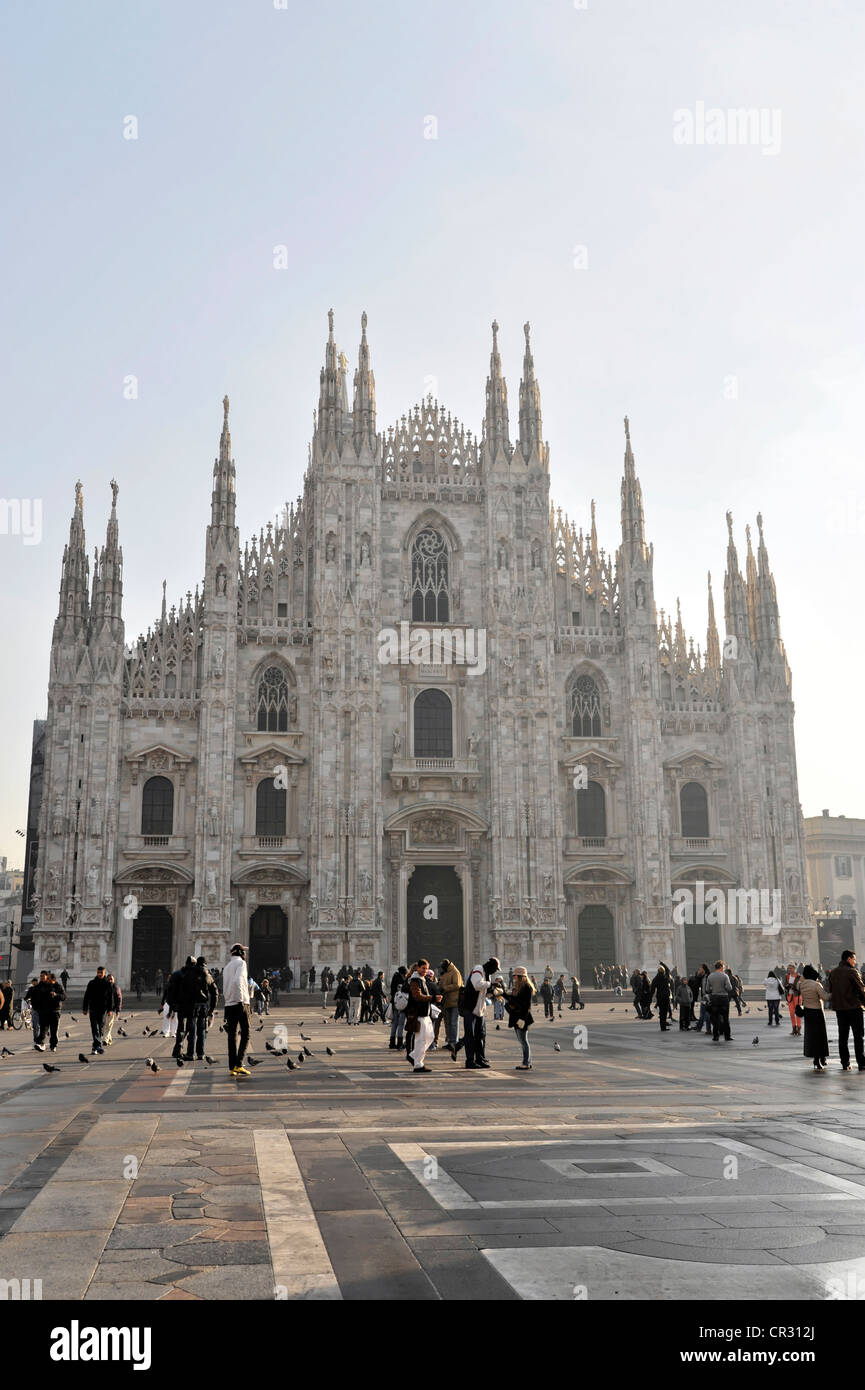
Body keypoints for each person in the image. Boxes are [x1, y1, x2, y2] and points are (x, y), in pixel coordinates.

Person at [454, 958, 501, 1069]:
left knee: (481, 1035)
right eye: (495, 969)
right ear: (491, 966)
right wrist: (491, 984)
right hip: (470, 1008)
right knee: (470, 1036)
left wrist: (494, 991)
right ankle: (470, 1061)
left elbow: (484, 992)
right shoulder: (478, 969)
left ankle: (480, 1059)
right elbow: (477, 985)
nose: (495, 971)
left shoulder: (487, 974)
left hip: (479, 1009)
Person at [827, 949, 865, 1072]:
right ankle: (861, 1063)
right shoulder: (852, 972)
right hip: (854, 1008)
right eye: (854, 959)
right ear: (848, 959)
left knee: (843, 1037)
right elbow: (861, 990)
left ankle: (845, 1063)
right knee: (858, 1037)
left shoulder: (833, 973)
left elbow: (831, 990)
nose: (855, 961)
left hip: (840, 1009)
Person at [404, 959, 441, 1073]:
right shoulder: (415, 981)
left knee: (430, 1037)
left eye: (426, 968)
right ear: (417, 968)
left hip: (425, 1013)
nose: (425, 970)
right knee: (421, 1040)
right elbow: (417, 996)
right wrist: (433, 998)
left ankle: (413, 1055)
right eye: (423, 968)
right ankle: (418, 1065)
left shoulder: (422, 980)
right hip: (418, 1013)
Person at [222, 943, 251, 1076]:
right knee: (246, 1033)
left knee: (232, 1036)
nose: (245, 953)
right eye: (243, 951)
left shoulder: (227, 967)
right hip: (241, 1002)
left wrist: (228, 1001)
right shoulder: (241, 964)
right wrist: (240, 1000)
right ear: (240, 952)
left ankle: (232, 1066)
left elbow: (225, 987)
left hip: (229, 1004)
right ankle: (239, 1064)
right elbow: (238, 981)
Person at [798, 964, 829, 1072]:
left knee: (811, 1036)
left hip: (807, 1012)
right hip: (817, 1012)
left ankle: (818, 1058)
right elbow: (825, 997)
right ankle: (819, 1059)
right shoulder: (816, 985)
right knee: (820, 1037)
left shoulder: (802, 985)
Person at [503, 967, 535, 1069]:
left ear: (521, 976)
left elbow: (527, 1005)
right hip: (516, 1017)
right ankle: (527, 1062)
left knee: (523, 1041)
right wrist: (503, 994)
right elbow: (514, 1000)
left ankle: (526, 1063)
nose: (514, 977)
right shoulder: (517, 987)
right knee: (522, 1041)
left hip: (522, 1017)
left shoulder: (526, 987)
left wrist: (523, 1019)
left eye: (515, 975)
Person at [30, 970, 66, 1052]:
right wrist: (37, 1008)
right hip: (44, 1011)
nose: (42, 978)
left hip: (55, 1011)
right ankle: (40, 1043)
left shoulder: (57, 986)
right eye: (41, 976)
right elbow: (35, 998)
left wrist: (56, 995)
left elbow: (64, 996)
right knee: (43, 1029)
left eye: (46, 977)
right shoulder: (40, 987)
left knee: (53, 1030)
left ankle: (53, 1045)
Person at [82, 965, 113, 1055]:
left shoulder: (108, 984)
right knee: (94, 1027)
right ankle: (98, 1045)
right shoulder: (91, 983)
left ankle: (95, 1046)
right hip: (93, 1008)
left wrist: (110, 1009)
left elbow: (110, 998)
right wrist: (85, 1008)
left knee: (100, 1027)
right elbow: (86, 996)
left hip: (103, 1009)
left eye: (101, 973)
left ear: (104, 973)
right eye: (98, 973)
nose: (99, 974)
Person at [705, 960, 733, 1042]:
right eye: (723, 967)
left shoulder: (710, 976)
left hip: (714, 998)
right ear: (721, 967)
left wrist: (714, 989)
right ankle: (727, 1036)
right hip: (724, 998)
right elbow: (729, 988)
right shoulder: (725, 976)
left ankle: (715, 1036)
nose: (724, 969)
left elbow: (707, 989)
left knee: (715, 1018)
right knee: (725, 1018)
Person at [438, 959, 462, 1050]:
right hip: (446, 1001)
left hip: (454, 1001)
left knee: (453, 1022)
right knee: (448, 1023)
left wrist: (445, 988)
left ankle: (454, 1042)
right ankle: (450, 1041)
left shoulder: (455, 972)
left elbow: (457, 985)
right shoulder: (445, 973)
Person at [650, 963, 673, 1031]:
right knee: (665, 1012)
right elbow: (668, 970)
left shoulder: (655, 978)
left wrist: (650, 997)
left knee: (661, 1012)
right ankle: (664, 1027)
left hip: (659, 996)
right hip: (666, 996)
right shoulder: (666, 976)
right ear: (663, 971)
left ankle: (662, 1027)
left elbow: (652, 988)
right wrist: (663, 964)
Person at [389, 966, 408, 1048]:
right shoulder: (402, 980)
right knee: (401, 1024)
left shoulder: (394, 978)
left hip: (395, 1003)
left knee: (394, 1023)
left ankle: (392, 1042)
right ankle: (399, 1042)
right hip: (402, 1003)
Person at [103, 973, 122, 1045]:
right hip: (104, 1009)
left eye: (111, 979)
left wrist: (118, 1010)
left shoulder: (116, 988)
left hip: (112, 1010)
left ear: (114, 980)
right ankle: (109, 1039)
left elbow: (119, 999)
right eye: (108, 979)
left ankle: (105, 1039)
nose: (110, 980)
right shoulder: (104, 988)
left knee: (109, 1025)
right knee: (104, 1025)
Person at [784, 963, 801, 1036]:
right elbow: (784, 984)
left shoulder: (799, 976)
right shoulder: (787, 976)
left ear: (794, 968)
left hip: (797, 996)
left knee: (798, 1012)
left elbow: (801, 985)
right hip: (790, 996)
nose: (790, 970)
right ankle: (794, 1028)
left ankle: (799, 1028)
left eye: (791, 968)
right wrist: (787, 986)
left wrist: (794, 987)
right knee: (791, 1013)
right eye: (789, 968)